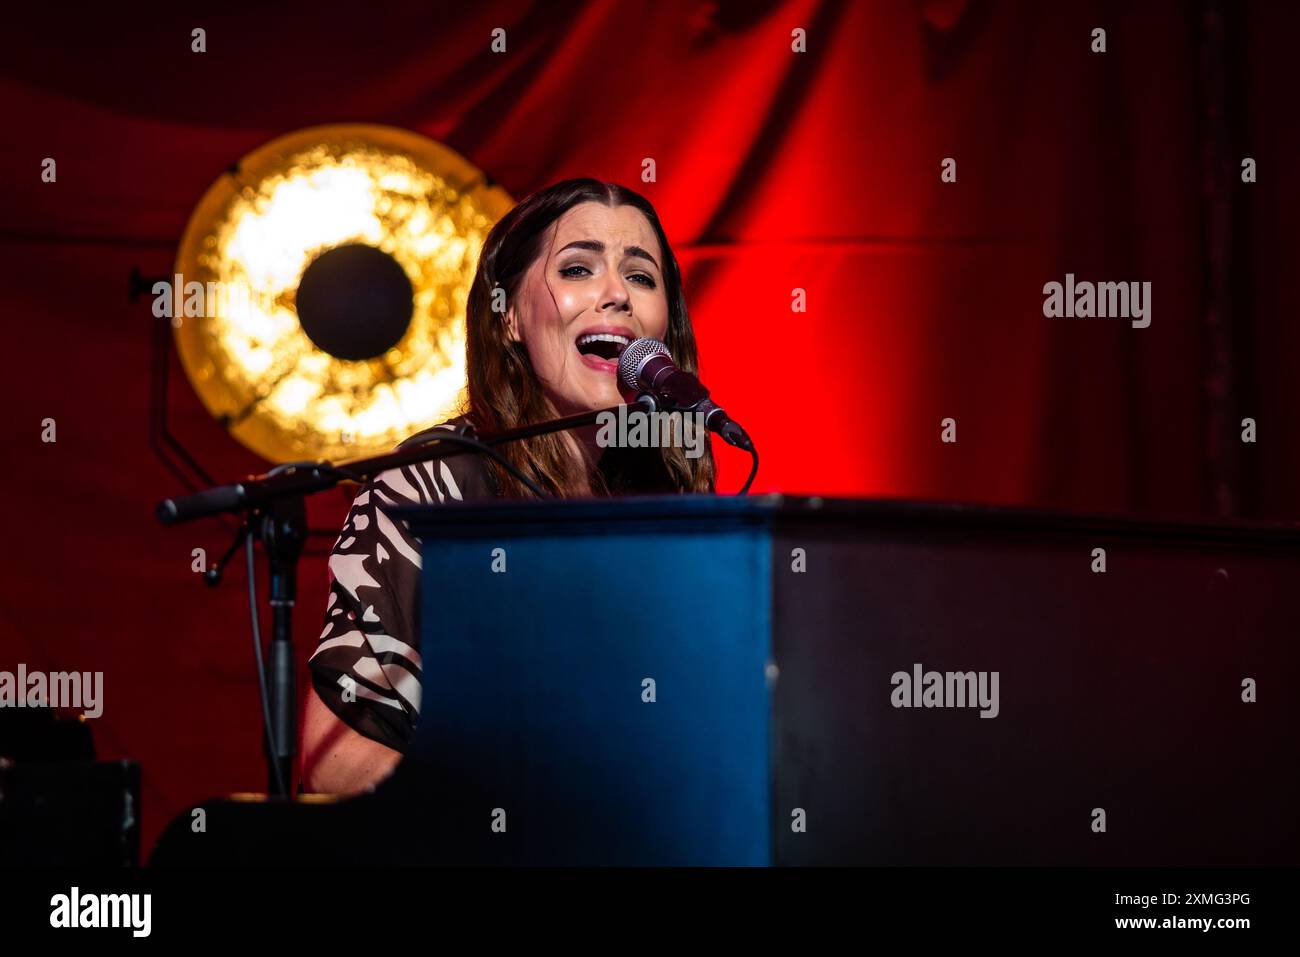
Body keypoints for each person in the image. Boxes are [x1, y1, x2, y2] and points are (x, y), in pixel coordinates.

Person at [299, 178, 716, 794]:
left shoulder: (672, 494)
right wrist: (519, 802)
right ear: (510, 317)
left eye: (641, 277)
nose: (616, 294)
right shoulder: (430, 484)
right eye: (577, 269)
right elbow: (332, 759)